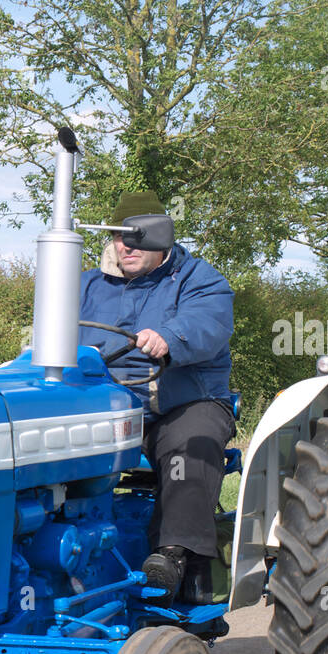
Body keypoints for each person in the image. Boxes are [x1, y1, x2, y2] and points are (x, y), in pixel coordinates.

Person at [78, 191, 236, 602]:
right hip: (102, 406)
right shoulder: (86, 285)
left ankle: (173, 557)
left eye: (136, 235)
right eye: (117, 236)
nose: (124, 245)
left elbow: (208, 324)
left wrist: (170, 336)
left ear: (161, 237)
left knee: (189, 446)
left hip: (180, 402)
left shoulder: (198, 279)